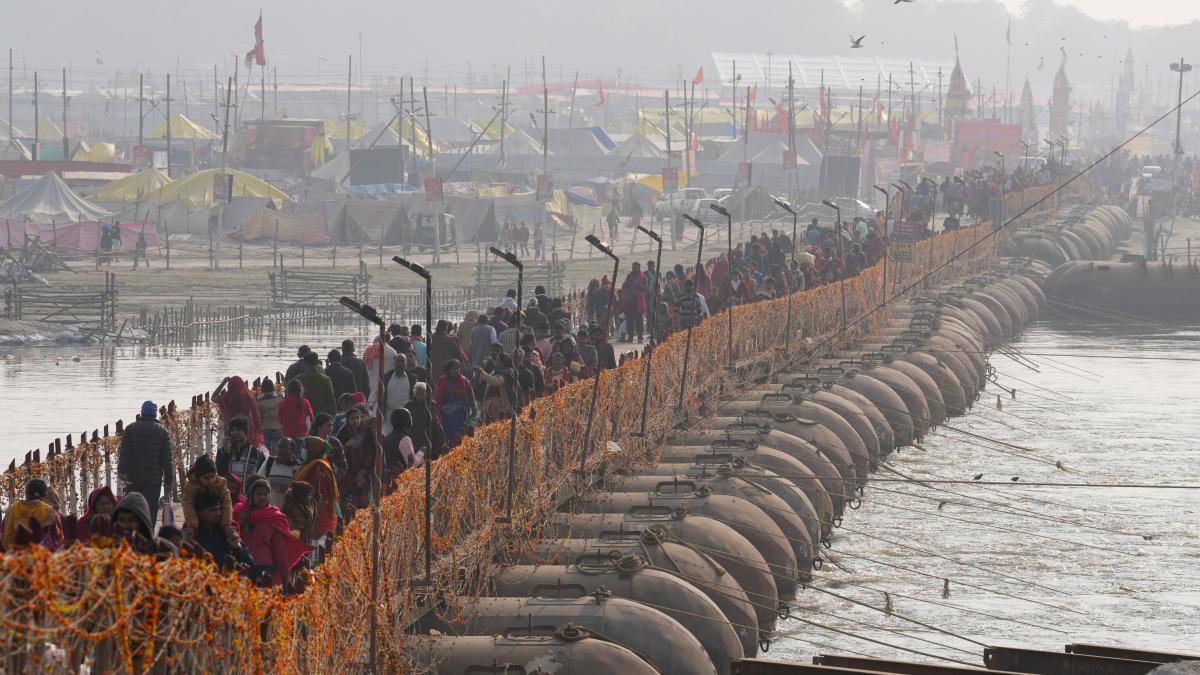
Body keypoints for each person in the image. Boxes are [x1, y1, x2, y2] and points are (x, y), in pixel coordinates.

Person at [234, 476, 314, 588]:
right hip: (242, 567)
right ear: (250, 495)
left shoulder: (274, 518)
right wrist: (240, 521)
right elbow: (230, 535)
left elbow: (280, 551)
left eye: (265, 493)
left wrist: (286, 580)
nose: (262, 497)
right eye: (258, 494)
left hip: (264, 569)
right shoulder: (238, 512)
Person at [117, 400, 174, 525]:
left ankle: (134, 536)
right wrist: (169, 480)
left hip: (133, 479)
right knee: (150, 510)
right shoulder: (162, 431)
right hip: (153, 481)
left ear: (142, 413)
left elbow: (125, 453)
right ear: (155, 414)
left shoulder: (130, 429)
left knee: (134, 509)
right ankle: (149, 536)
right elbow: (167, 459)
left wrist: (122, 471)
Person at [191, 489, 255, 572]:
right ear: (199, 512)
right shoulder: (192, 535)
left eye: (219, 509)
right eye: (213, 510)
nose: (218, 513)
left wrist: (237, 548)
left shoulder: (227, 532)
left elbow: (250, 563)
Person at [294, 438, 341, 544]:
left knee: (317, 553)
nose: (304, 450)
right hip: (307, 516)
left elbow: (320, 496)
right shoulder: (308, 465)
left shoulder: (319, 467)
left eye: (307, 447)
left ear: (314, 449)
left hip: (317, 519)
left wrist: (312, 519)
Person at [181, 455, 235, 542]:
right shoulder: (191, 486)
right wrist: (192, 526)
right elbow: (188, 506)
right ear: (199, 477)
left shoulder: (220, 483)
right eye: (206, 478)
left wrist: (226, 524)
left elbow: (227, 503)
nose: (210, 481)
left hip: (218, 517)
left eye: (212, 477)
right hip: (197, 519)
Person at [3, 479, 63, 550]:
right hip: (43, 557)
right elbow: (60, 537)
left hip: (15, 556)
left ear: (27, 493)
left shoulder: (12, 509)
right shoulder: (50, 511)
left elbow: (5, 537)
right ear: (44, 494)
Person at [336, 405, 377, 508]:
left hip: (364, 471)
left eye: (358, 418)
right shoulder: (343, 433)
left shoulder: (367, 432)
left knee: (364, 503)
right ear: (347, 420)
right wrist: (348, 444)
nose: (355, 421)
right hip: (347, 472)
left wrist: (362, 472)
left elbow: (370, 452)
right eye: (352, 419)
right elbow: (338, 452)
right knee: (349, 502)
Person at [216, 416, 268, 495]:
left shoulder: (257, 453)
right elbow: (219, 474)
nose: (235, 433)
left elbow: (263, 478)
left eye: (238, 429)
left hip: (248, 499)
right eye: (232, 430)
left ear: (245, 431)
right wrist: (226, 454)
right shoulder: (222, 451)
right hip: (227, 498)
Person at [433, 359, 475, 448]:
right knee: (448, 438)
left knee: (460, 437)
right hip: (446, 416)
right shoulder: (443, 380)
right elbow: (438, 398)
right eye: (454, 368)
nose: (456, 371)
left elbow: (471, 397)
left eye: (458, 368)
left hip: (460, 415)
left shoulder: (464, 381)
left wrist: (473, 409)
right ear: (449, 369)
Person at [214, 376, 263, 447]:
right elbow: (255, 416)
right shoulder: (248, 397)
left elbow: (214, 397)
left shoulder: (226, 397)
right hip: (246, 431)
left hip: (231, 431)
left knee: (231, 453)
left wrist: (223, 383)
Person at [371, 353, 411, 436]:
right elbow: (377, 393)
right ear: (394, 363)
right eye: (397, 361)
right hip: (388, 414)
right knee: (387, 437)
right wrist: (371, 404)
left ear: (406, 363)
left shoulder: (412, 378)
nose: (400, 363)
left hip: (405, 415)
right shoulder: (386, 376)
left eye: (402, 361)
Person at [257, 436, 303, 508]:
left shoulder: (299, 467)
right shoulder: (269, 462)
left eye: (284, 446)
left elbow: (301, 491)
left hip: (290, 512)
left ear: (293, 450)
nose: (281, 449)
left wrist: (284, 489)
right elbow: (258, 481)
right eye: (279, 447)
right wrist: (268, 483)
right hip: (269, 509)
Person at [406, 383, 446, 461]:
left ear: (427, 394)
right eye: (418, 394)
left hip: (428, 440)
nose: (420, 396)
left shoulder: (432, 406)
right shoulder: (409, 406)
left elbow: (437, 425)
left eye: (422, 394)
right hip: (413, 440)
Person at [382, 408, 422, 482]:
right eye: (410, 417)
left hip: (390, 478)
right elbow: (412, 463)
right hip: (401, 479)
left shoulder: (387, 437)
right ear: (407, 421)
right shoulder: (404, 439)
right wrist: (421, 453)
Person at [292, 351, 336, 417]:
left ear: (305, 363)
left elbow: (293, 400)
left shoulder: (298, 379)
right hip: (321, 417)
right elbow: (331, 401)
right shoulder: (326, 379)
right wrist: (332, 418)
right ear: (317, 362)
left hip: (303, 417)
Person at [257, 379, 285, 453]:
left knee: (266, 451)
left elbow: (259, 418)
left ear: (262, 389)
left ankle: (267, 464)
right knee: (277, 450)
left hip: (265, 428)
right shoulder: (280, 400)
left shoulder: (259, 403)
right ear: (273, 388)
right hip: (279, 427)